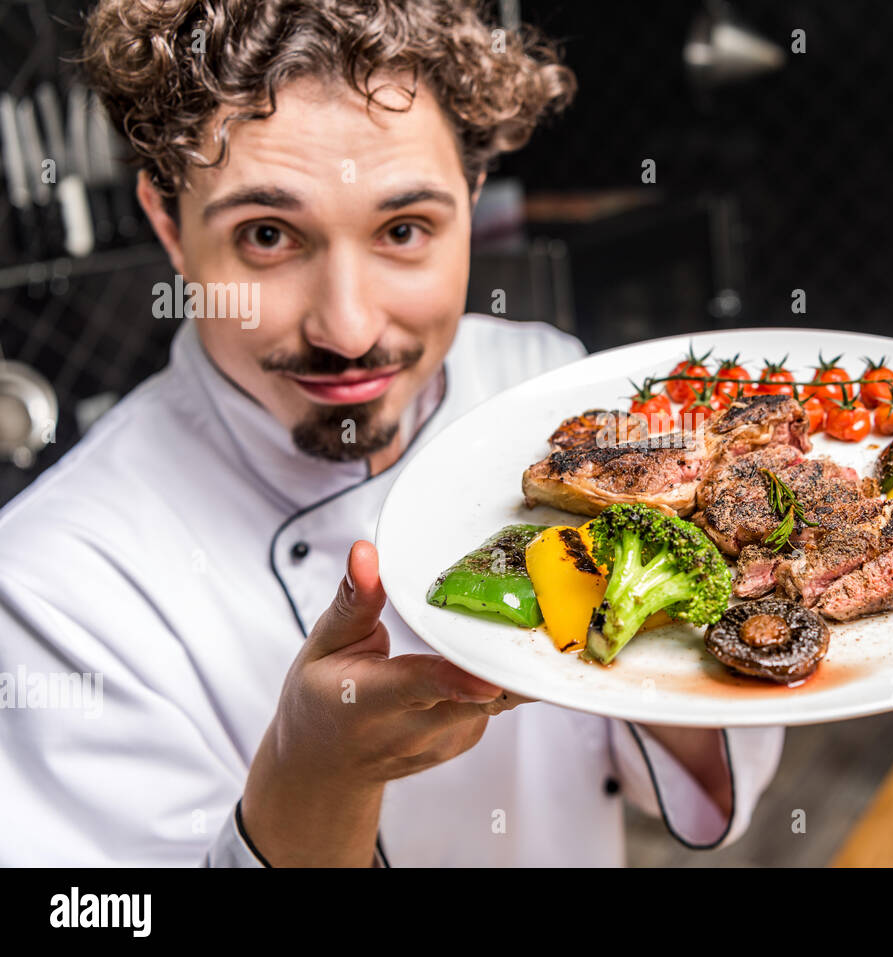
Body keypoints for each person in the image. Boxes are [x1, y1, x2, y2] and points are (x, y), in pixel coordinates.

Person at [0, 0, 783, 867]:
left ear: (474, 200)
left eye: (404, 230)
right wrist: (313, 778)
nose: (348, 327)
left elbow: (690, 767)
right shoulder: (52, 584)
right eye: (266, 235)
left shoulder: (536, 385)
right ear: (167, 224)